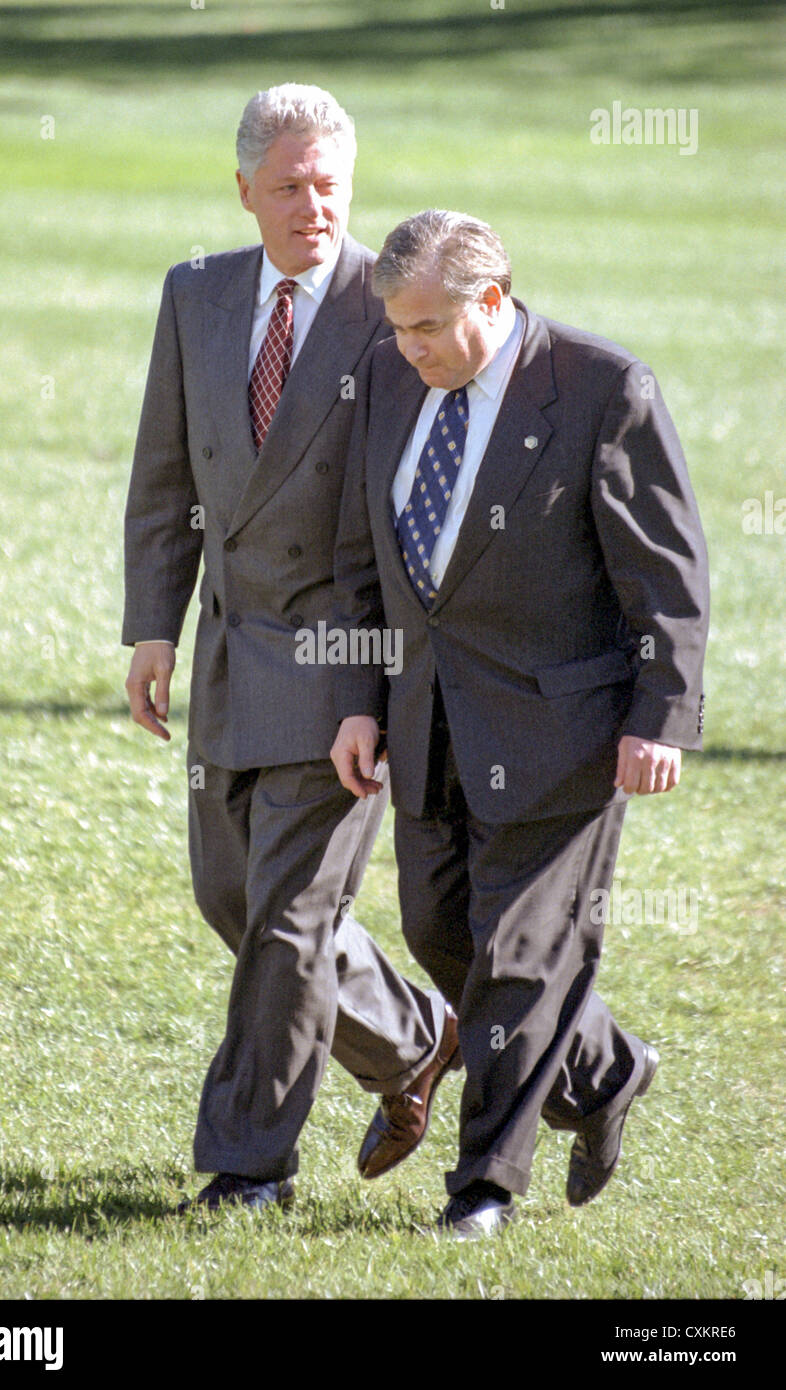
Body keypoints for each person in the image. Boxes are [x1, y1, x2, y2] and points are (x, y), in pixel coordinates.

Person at [331, 209, 709, 1239]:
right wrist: (359, 702)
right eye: (395, 327)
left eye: (423, 327)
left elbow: (666, 577)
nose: (404, 348)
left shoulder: (600, 389)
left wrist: (661, 716)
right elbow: (364, 564)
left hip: (562, 734)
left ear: (489, 300)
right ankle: (601, 1070)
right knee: (438, 930)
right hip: (426, 722)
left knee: (520, 961)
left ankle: (483, 1187)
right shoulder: (389, 382)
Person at [122, 90, 457, 1215]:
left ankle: (246, 1164)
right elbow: (164, 477)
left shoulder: (392, 306)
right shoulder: (196, 294)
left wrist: (394, 683)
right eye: (289, 186)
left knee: (286, 921)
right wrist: (153, 624)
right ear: (245, 191)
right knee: (234, 899)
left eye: (329, 183)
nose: (314, 205)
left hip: (345, 663)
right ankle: (412, 1037)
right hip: (227, 651)